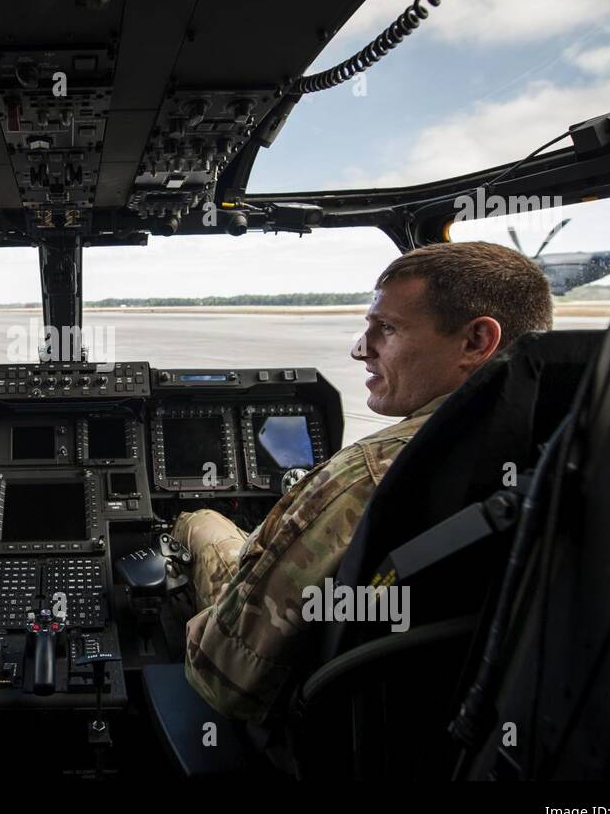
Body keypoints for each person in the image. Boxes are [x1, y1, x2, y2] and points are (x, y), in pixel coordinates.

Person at [176, 241, 554, 721]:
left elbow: (223, 679)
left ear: (476, 342)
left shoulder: (369, 473)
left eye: (387, 329)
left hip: (327, 728)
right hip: (463, 720)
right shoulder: (568, 449)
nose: (359, 349)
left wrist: (209, 621)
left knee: (201, 522)